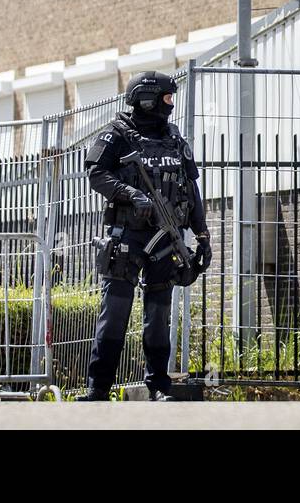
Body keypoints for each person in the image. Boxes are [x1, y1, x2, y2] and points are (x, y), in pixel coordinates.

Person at [80, 71, 211, 401]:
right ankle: (98, 389)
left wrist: (203, 235)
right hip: (128, 237)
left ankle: (158, 387)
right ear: (148, 98)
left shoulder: (174, 137)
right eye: (167, 98)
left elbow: (191, 190)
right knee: (115, 313)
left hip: (167, 239)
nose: (171, 104)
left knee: (158, 315)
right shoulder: (118, 134)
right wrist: (130, 194)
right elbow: (96, 174)